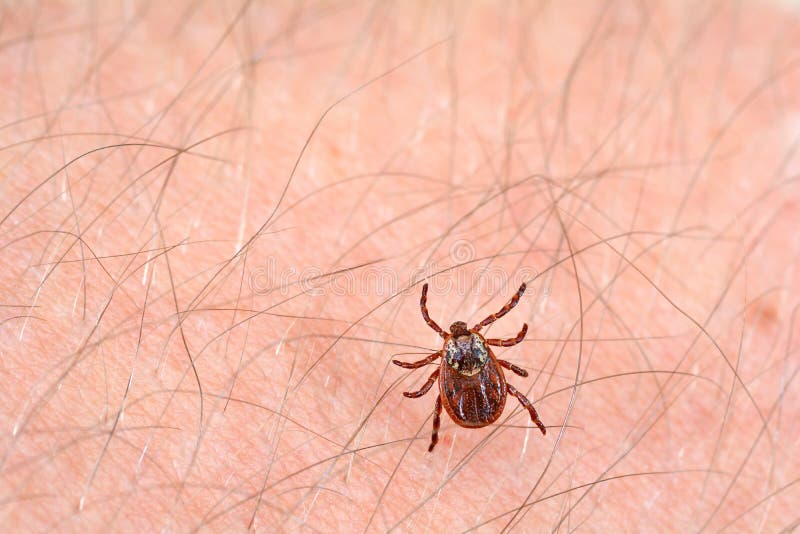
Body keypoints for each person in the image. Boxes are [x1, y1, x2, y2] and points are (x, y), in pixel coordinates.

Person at [1, 1, 799, 531]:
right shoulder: (483, 352)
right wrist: (497, 324)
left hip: (465, 399)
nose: (464, 351)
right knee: (505, 394)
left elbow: (429, 371)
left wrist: (440, 360)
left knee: (450, 399)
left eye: (465, 347)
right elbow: (480, 345)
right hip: (485, 391)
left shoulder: (453, 354)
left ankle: (439, 437)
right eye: (462, 348)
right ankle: (497, 427)